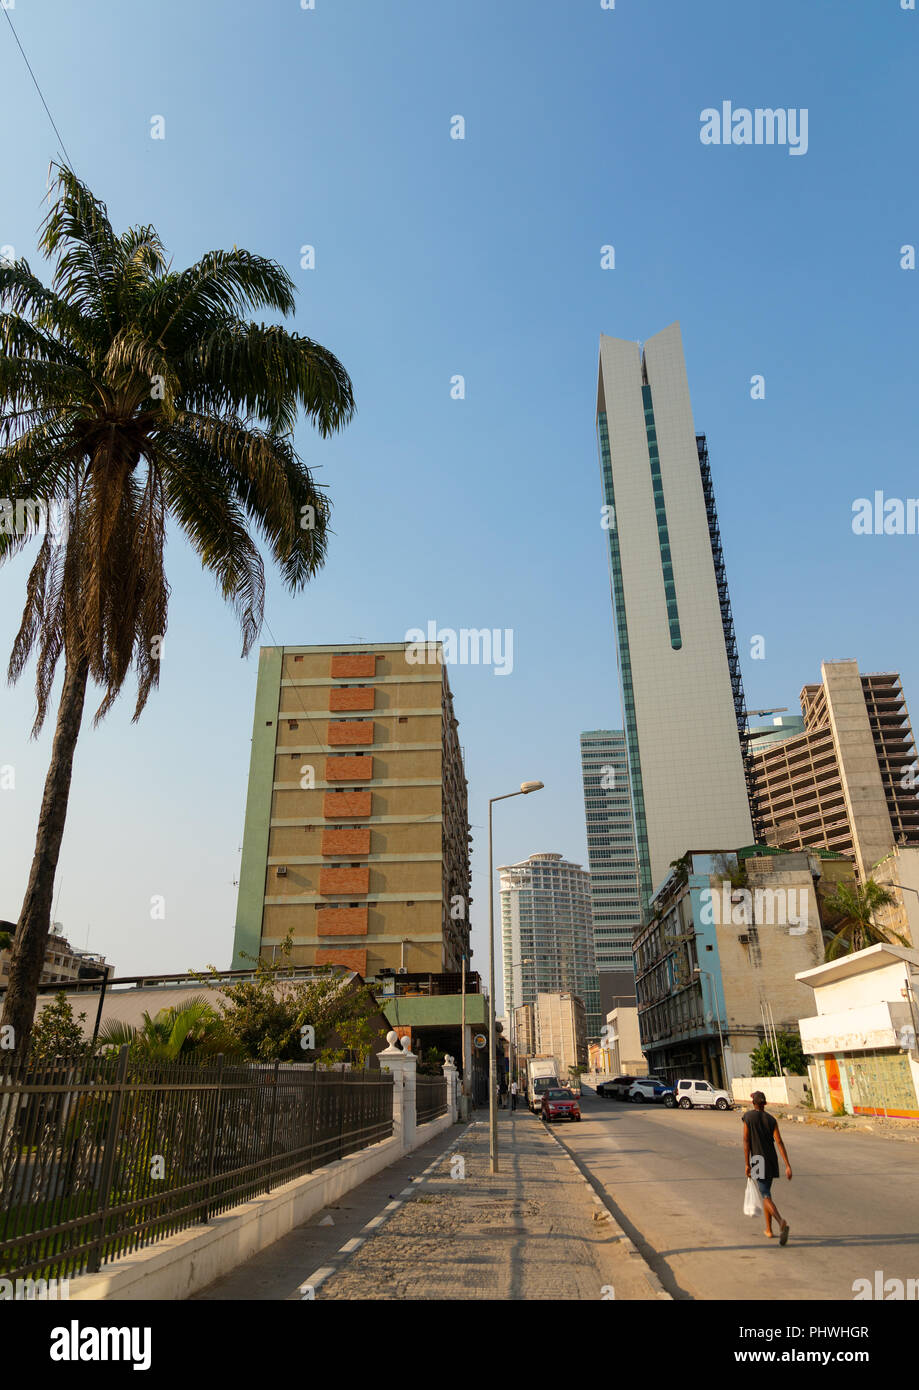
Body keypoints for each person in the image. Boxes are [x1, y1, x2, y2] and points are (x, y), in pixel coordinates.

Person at [742, 1090, 792, 1244]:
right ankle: (768, 1230)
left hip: (757, 1159)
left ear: (753, 1103)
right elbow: (779, 1142)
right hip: (771, 1159)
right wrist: (787, 1165)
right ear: (764, 1103)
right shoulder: (771, 1119)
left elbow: (746, 1140)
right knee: (766, 1193)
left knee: (765, 1195)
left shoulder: (748, 1117)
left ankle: (780, 1221)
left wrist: (747, 1164)